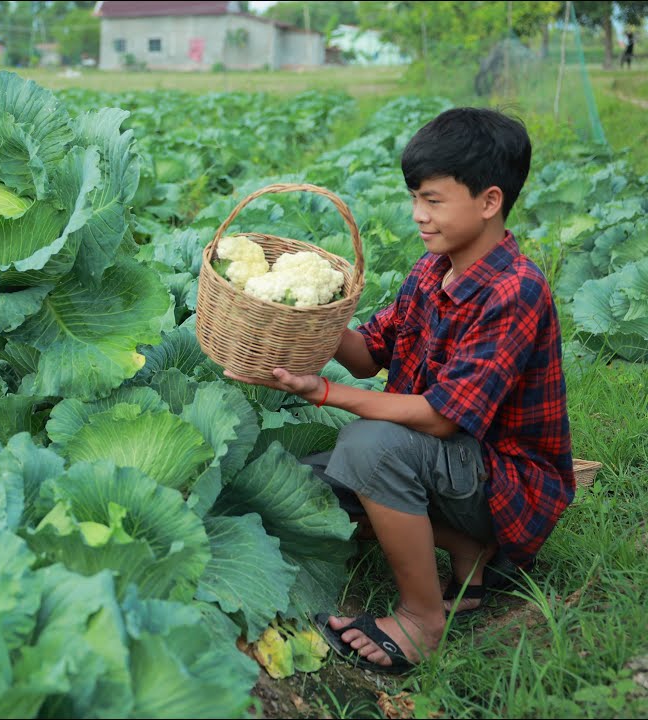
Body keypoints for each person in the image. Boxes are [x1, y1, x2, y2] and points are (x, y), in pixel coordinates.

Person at [225, 108, 573, 674]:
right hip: (448, 467)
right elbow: (366, 359)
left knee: (367, 447)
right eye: (415, 198)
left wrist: (322, 394)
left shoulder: (516, 290)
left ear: (488, 202)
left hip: (505, 480)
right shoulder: (432, 270)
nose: (418, 215)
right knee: (308, 483)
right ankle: (470, 553)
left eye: (433, 201)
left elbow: (440, 418)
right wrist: (312, 313)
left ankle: (422, 619)